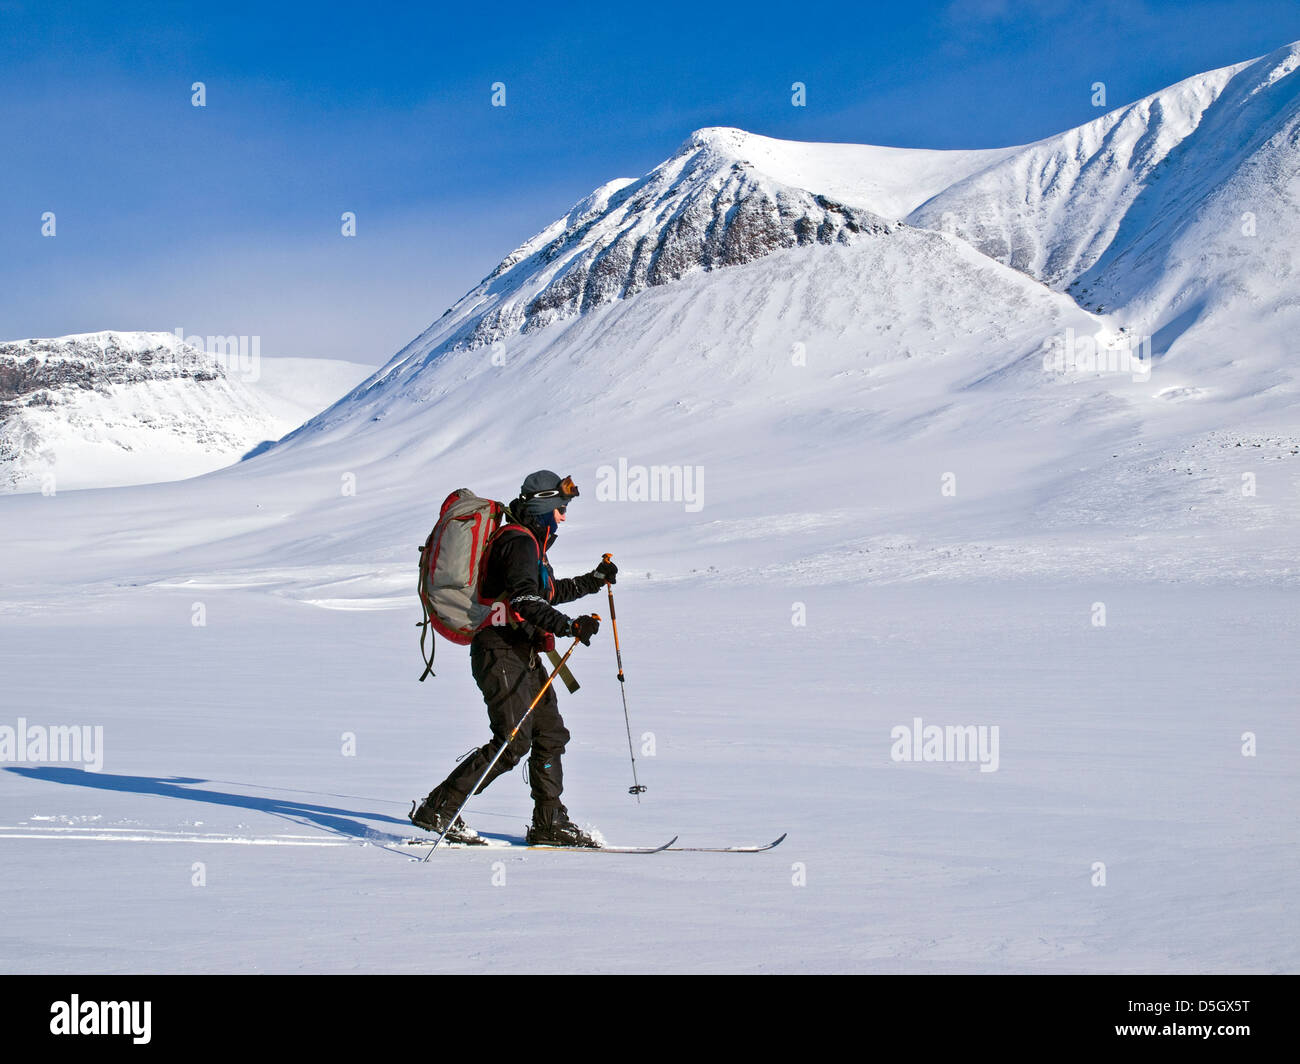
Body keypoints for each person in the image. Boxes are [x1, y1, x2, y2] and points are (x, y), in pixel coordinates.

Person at [410, 470, 618, 846]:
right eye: (561, 509)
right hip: (499, 650)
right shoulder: (517, 542)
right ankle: (439, 808)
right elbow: (525, 600)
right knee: (512, 741)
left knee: (550, 734)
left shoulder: (531, 547)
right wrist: (570, 627)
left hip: (522, 651)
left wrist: (594, 579)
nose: (563, 517)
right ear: (544, 506)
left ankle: (549, 823)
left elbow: (548, 592)